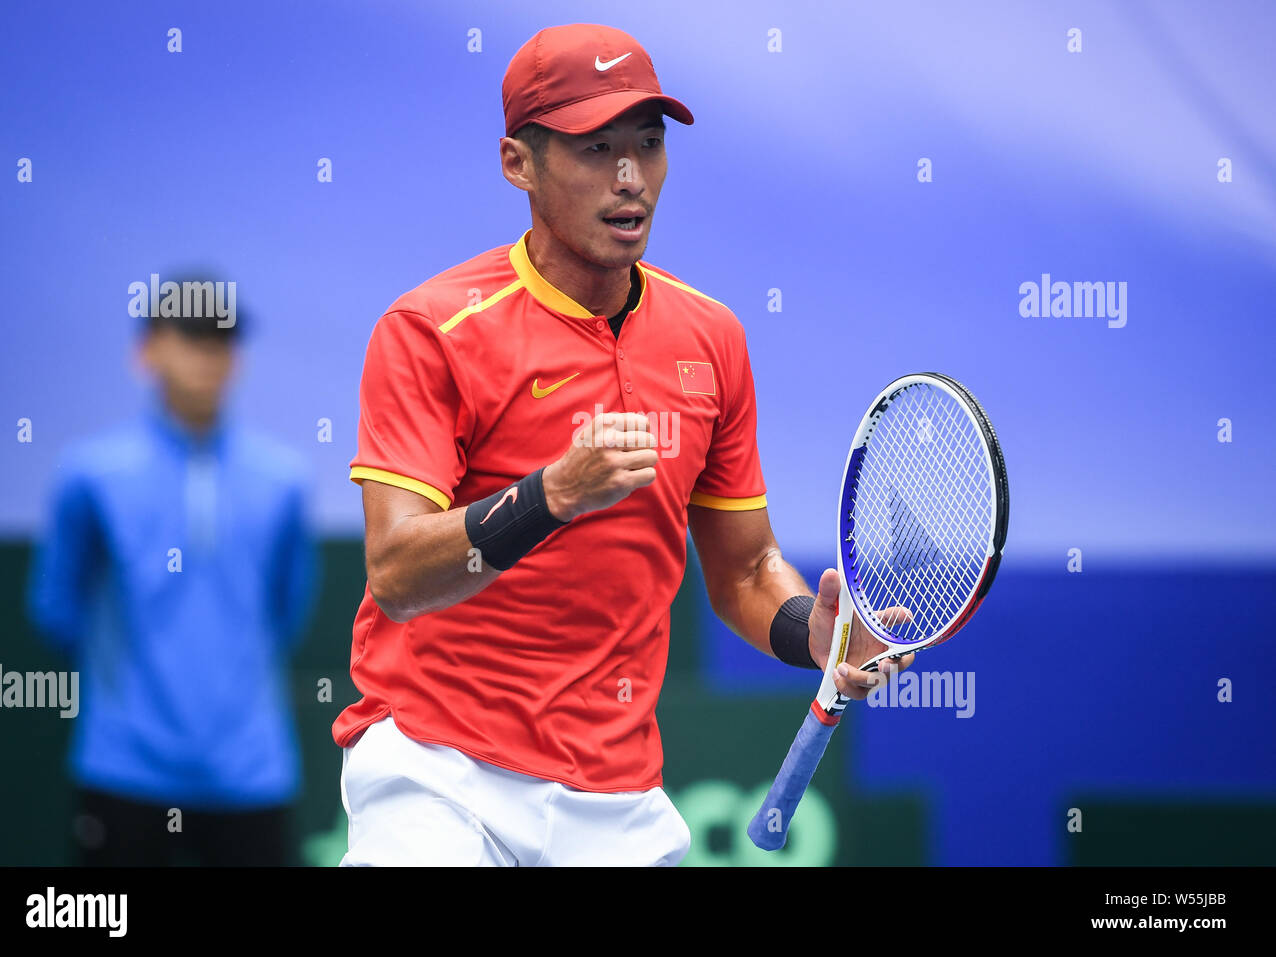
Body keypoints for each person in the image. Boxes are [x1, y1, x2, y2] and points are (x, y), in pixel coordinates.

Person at [335, 23, 911, 866]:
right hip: (436, 766)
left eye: (647, 143)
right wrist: (551, 495)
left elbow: (745, 571)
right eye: (594, 148)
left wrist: (810, 633)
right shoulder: (432, 330)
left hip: (615, 793)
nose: (630, 177)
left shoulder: (711, 338)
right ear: (517, 163)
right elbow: (394, 577)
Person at [27, 276, 317, 866]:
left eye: (222, 340)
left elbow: (288, 609)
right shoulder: (91, 473)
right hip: (124, 772)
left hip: (250, 773)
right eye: (190, 336)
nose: (208, 355)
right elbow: (57, 607)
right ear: (147, 351)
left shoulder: (282, 479)